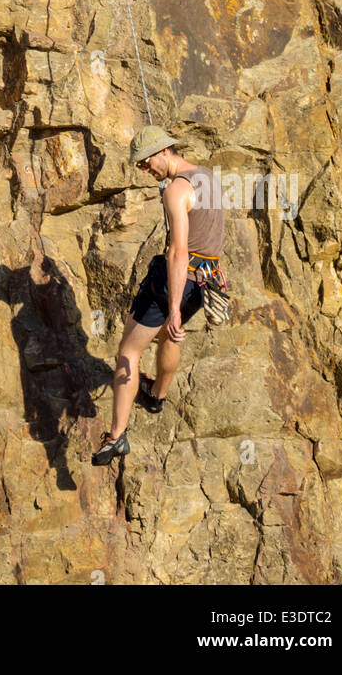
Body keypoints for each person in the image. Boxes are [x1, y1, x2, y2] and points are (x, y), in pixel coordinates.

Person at [92, 125, 226, 465]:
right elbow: (208, 230)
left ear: (163, 151)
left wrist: (174, 307)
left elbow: (179, 252)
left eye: (146, 162)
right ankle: (156, 395)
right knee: (170, 336)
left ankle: (116, 437)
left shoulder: (175, 191)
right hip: (205, 281)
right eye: (140, 165)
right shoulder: (209, 178)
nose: (144, 169)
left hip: (176, 281)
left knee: (129, 351)